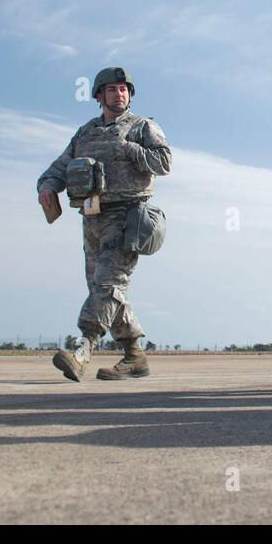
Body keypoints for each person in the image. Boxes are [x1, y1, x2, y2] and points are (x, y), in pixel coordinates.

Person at [38, 67, 172, 381]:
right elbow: (60, 166)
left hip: (127, 216)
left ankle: (82, 349)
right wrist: (47, 186)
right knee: (105, 290)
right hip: (92, 216)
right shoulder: (86, 133)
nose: (119, 94)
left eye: (123, 89)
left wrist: (132, 150)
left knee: (108, 285)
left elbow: (164, 162)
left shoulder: (142, 126)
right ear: (99, 96)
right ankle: (134, 356)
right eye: (112, 89)